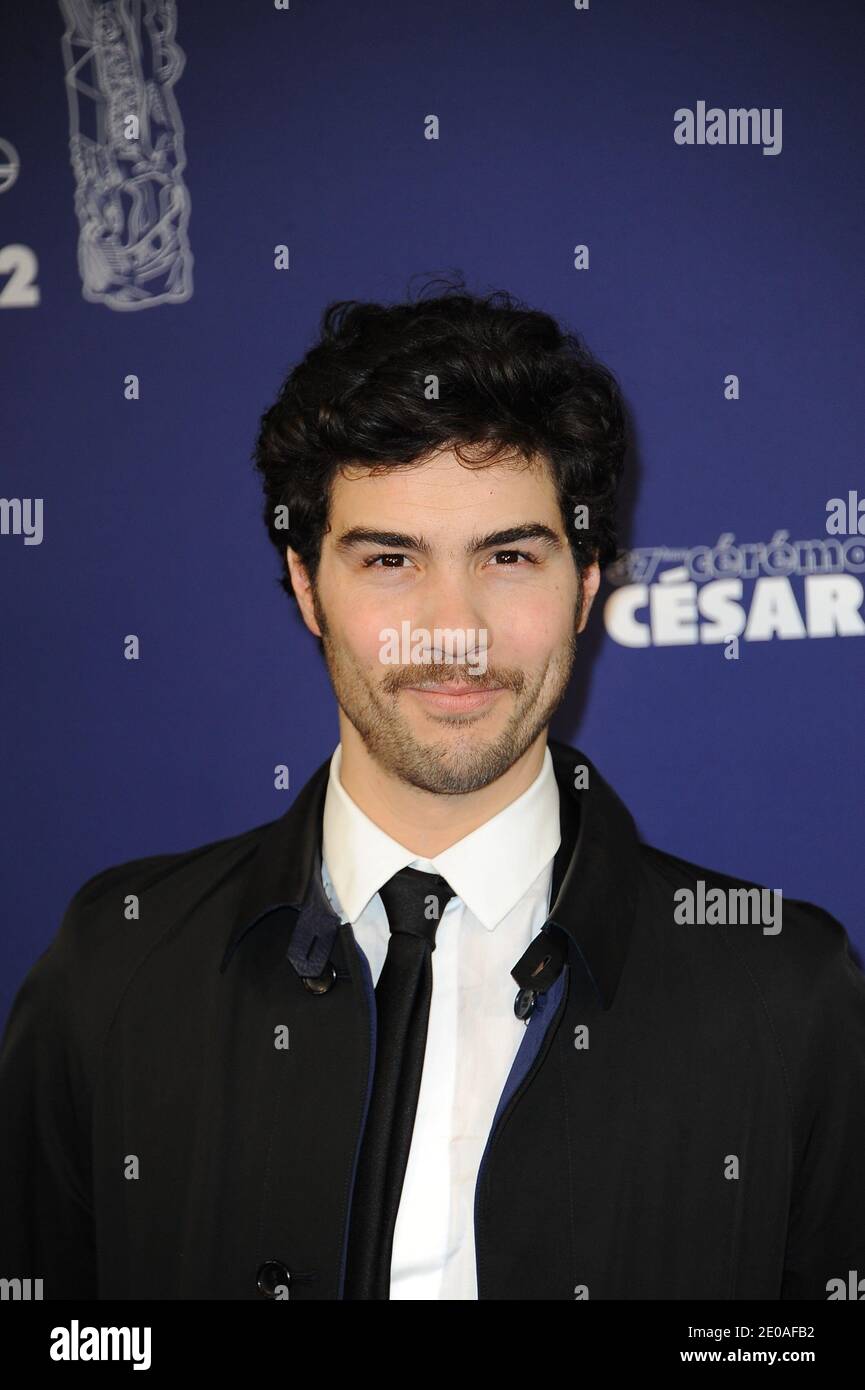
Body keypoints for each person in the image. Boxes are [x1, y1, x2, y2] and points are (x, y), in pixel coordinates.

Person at [1, 283, 863, 1300]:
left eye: (506, 556)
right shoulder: (116, 967)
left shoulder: (785, 995)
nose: (450, 629)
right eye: (389, 560)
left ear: (586, 585)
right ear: (308, 584)